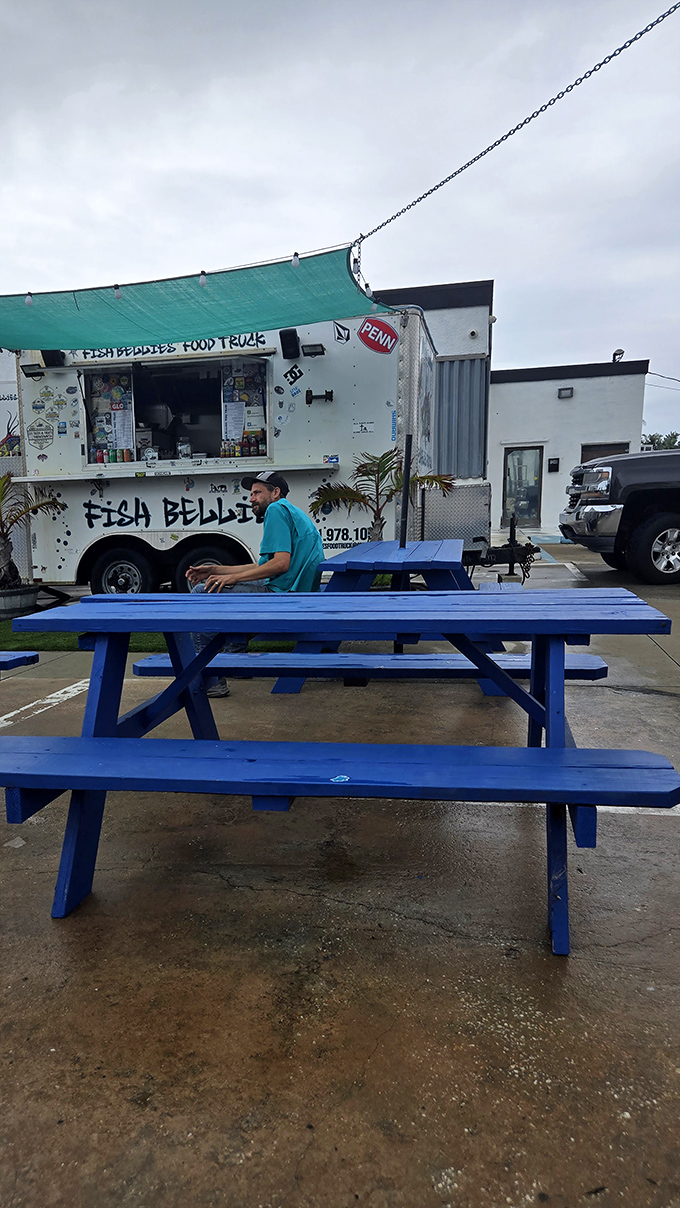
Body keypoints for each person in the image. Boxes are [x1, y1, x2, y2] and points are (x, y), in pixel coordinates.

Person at [186, 471, 324, 696]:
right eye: (251, 494)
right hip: (297, 593)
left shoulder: (276, 510)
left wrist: (232, 578)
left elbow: (280, 565)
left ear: (275, 492)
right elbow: (260, 568)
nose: (251, 499)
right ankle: (237, 661)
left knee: (203, 593)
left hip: (287, 597)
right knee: (219, 585)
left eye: (257, 493)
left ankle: (211, 681)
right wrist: (215, 570)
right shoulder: (292, 512)